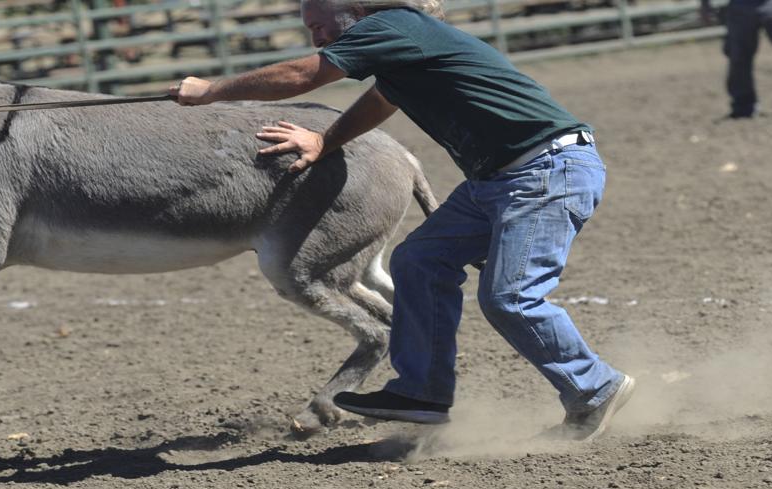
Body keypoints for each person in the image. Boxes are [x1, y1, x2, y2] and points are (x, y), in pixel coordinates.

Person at [171, 0, 636, 441]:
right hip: (503, 179)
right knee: (419, 260)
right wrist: (325, 141)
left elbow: (302, 75)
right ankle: (423, 391)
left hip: (544, 170)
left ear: (353, 11)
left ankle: (595, 389)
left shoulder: (389, 26)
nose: (316, 36)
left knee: (510, 297)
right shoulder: (402, 47)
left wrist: (211, 91)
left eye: (318, 25)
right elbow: (381, 101)